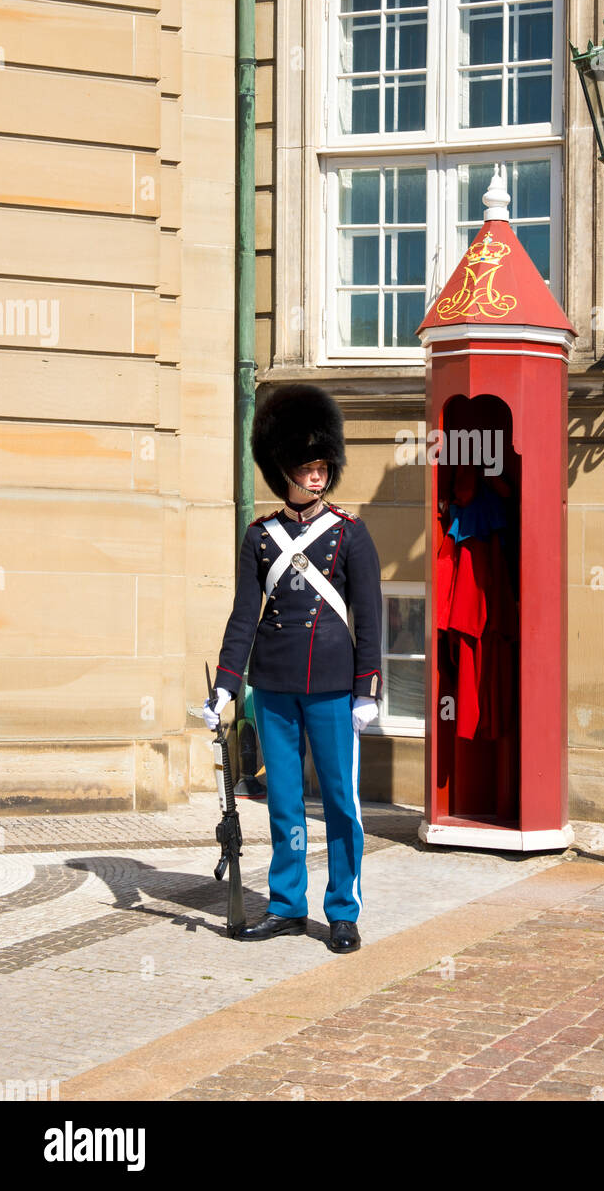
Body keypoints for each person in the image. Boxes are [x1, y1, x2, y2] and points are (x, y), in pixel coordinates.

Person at [202, 384, 382, 953]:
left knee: (339, 802)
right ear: (284, 470)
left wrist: (367, 688)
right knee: (283, 801)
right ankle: (285, 905)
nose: (317, 476)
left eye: (323, 465)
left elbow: (369, 614)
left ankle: (343, 910)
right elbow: (242, 617)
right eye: (306, 467)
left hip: (331, 686)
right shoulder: (260, 537)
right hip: (274, 687)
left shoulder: (350, 534)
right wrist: (227, 688)